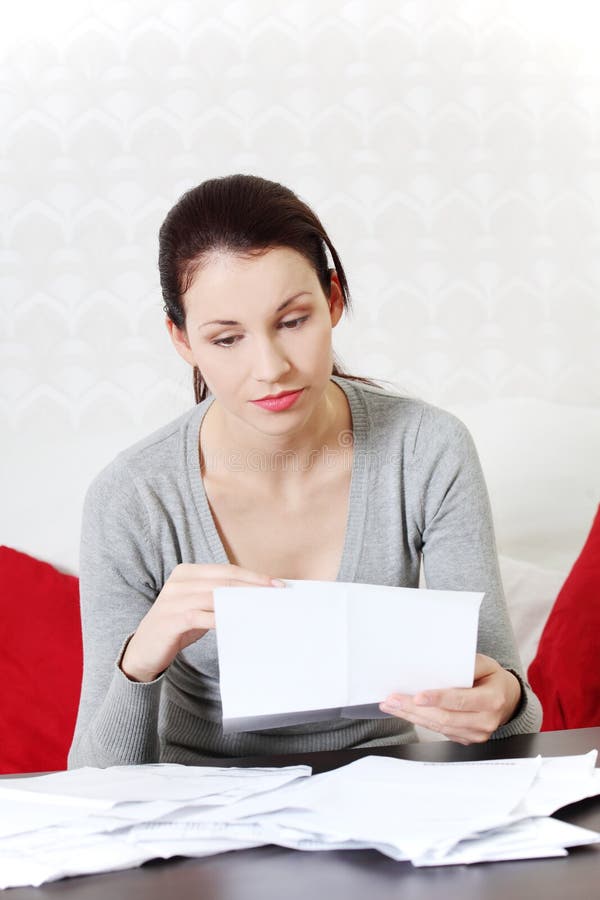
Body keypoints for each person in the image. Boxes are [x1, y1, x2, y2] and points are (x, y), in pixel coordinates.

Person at [68, 174, 542, 768]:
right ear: (182, 340)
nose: (270, 367)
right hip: (201, 822)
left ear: (334, 300)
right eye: (226, 338)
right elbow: (94, 775)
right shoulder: (132, 498)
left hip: (387, 804)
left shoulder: (427, 450)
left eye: (292, 321)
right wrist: (143, 657)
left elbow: (505, 711)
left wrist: (503, 701)